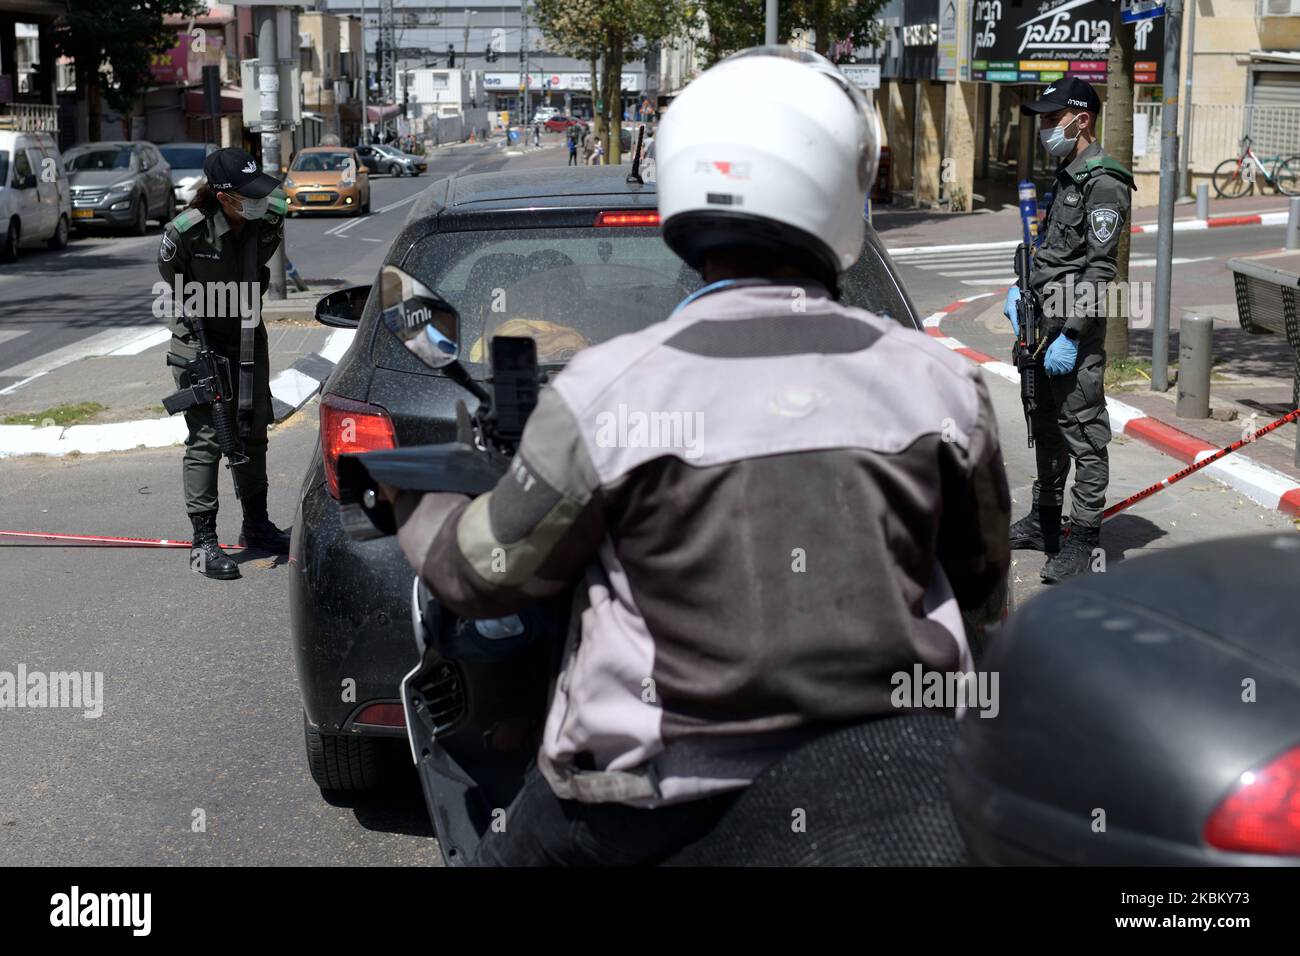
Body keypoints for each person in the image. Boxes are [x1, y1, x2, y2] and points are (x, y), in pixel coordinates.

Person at [388, 46, 1010, 866]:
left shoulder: (609, 389)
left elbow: (486, 572)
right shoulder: (942, 386)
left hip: (648, 802)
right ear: (839, 189)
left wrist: (412, 504)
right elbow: (983, 594)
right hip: (901, 775)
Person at [1003, 77, 1134, 583]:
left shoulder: (1104, 182)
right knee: (1046, 424)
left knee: (1083, 431)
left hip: (1070, 331)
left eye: (1053, 119)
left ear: (1082, 120)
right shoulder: (1067, 176)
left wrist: (1073, 333)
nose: (1045, 128)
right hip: (1042, 322)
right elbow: (1052, 254)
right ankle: (1045, 521)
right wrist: (1021, 289)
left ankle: (1083, 540)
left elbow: (1101, 271)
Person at [157, 147, 293, 580]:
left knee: (253, 431)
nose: (257, 200)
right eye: (245, 194)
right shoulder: (187, 232)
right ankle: (204, 544)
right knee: (207, 438)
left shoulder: (269, 216)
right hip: (199, 340)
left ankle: (256, 526)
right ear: (222, 196)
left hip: (248, 337)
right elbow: (171, 277)